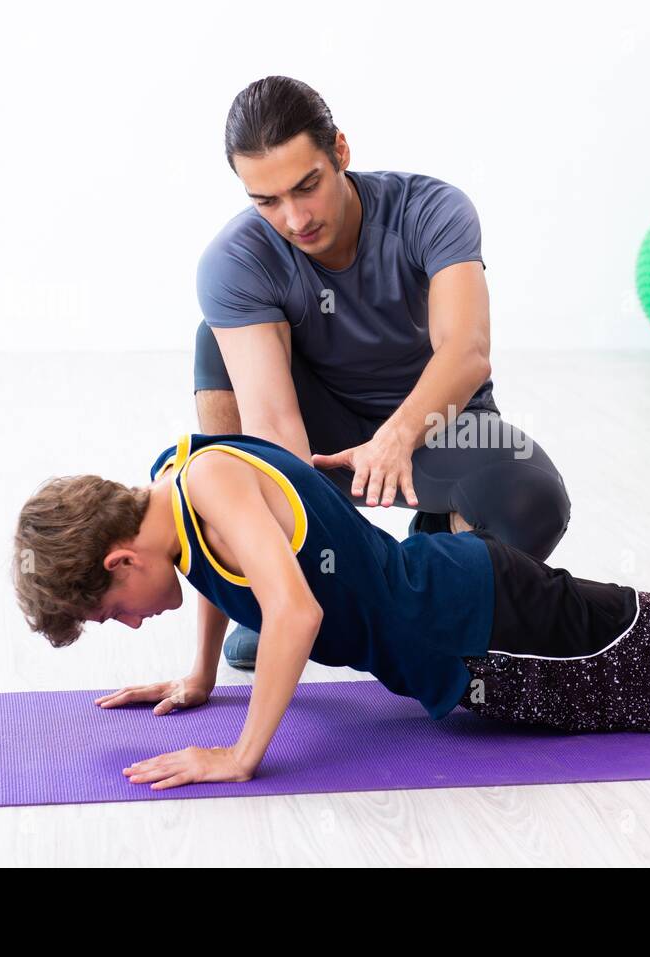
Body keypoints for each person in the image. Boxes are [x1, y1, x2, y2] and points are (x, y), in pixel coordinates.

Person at [11, 433, 650, 792]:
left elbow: (290, 615)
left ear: (116, 554)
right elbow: (213, 576)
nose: (127, 621)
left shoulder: (209, 492)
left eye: (110, 607)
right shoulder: (174, 482)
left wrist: (241, 755)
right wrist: (197, 682)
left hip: (488, 623)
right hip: (469, 595)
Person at [193, 76, 570, 671]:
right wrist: (296, 561)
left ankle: (433, 560)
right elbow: (271, 432)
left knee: (534, 504)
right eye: (265, 201)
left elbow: (467, 352)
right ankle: (262, 600)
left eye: (307, 186)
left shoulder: (431, 209)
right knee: (212, 340)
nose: (294, 219)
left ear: (340, 151)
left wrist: (395, 438)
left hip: (441, 420)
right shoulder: (235, 260)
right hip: (320, 434)